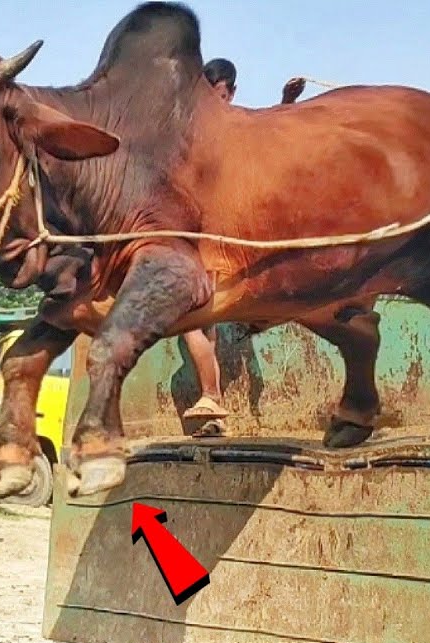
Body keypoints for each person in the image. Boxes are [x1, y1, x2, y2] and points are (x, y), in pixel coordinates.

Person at [176, 59, 236, 428]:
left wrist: (286, 102)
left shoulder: (235, 131)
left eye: (221, 96)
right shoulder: (195, 131)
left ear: (232, 92)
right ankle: (215, 407)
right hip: (201, 237)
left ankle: (211, 396)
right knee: (204, 321)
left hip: (217, 239)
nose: (215, 102)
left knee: (188, 317)